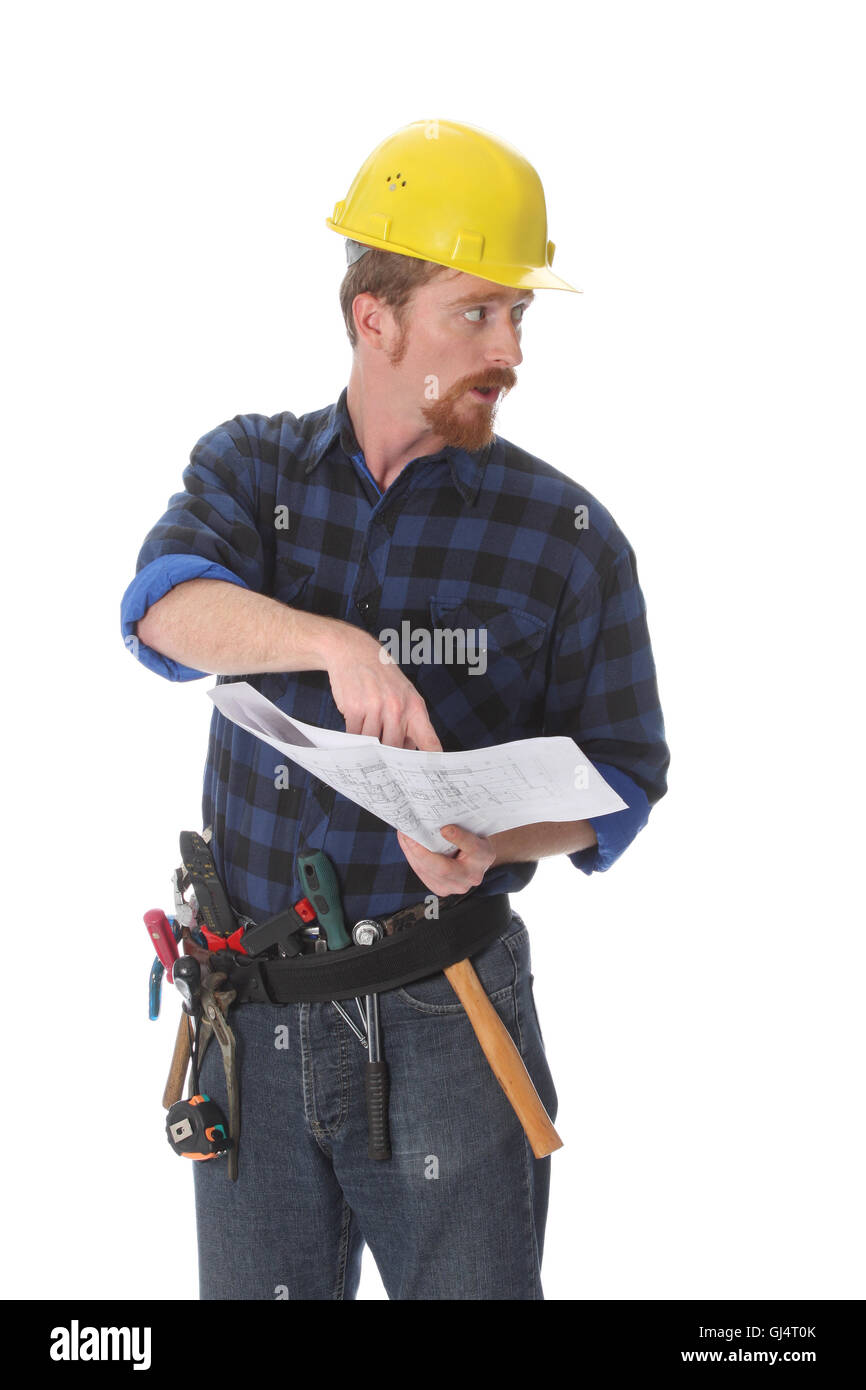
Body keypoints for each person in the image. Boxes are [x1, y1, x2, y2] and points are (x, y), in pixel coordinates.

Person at [121, 118, 669, 1301]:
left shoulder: (563, 539)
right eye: (476, 312)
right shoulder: (249, 472)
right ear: (374, 317)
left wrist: (497, 841)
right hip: (249, 1025)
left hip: (448, 1020)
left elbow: (623, 773)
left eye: (519, 315)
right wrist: (333, 645)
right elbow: (160, 613)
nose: (510, 348)